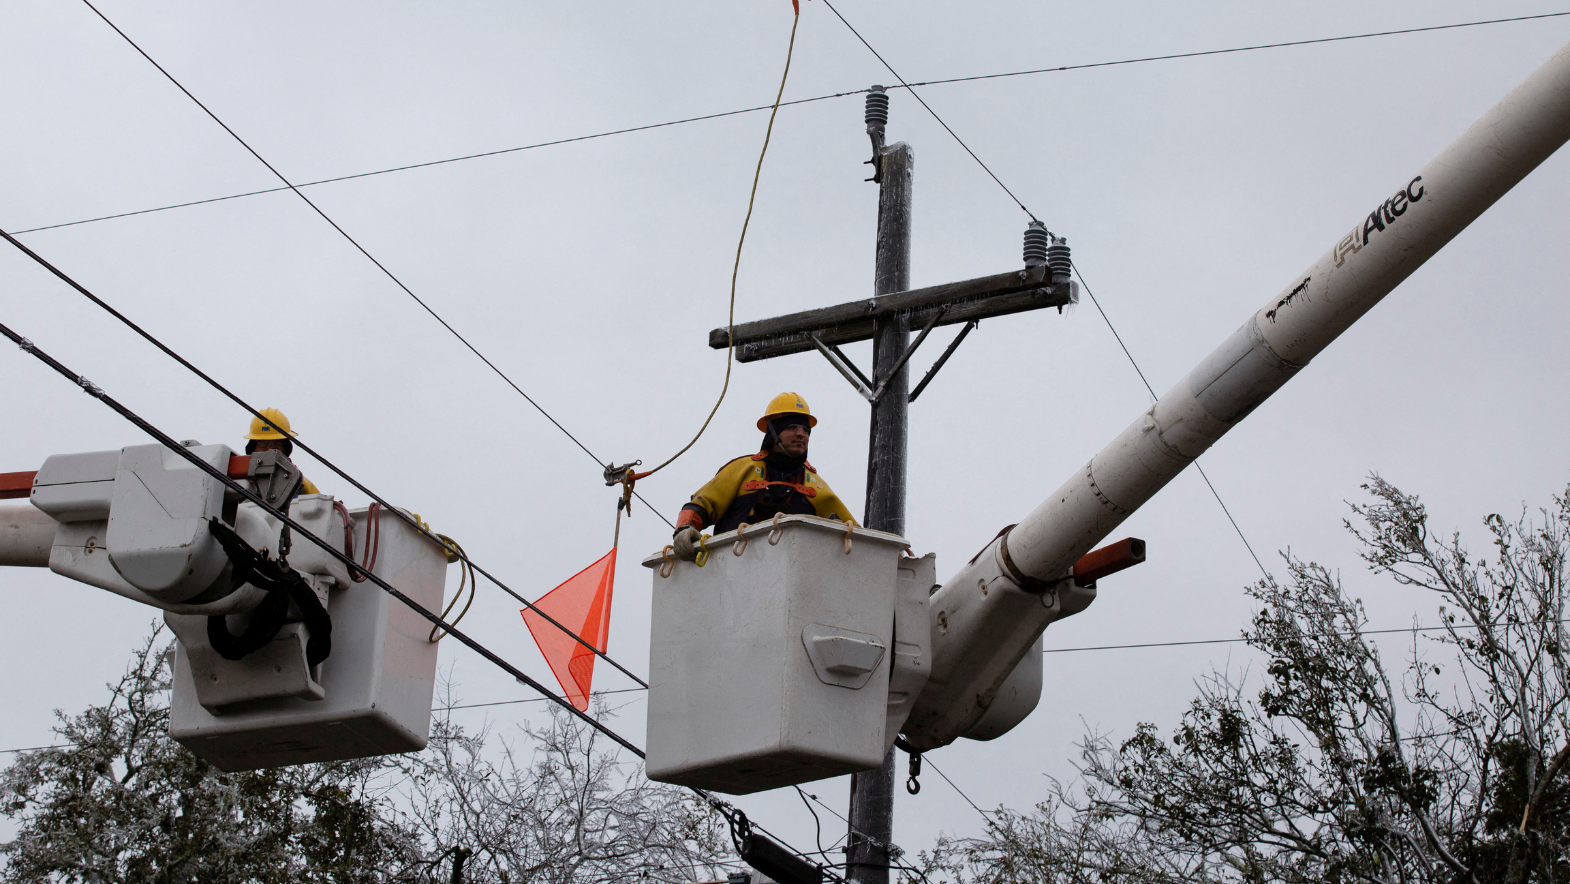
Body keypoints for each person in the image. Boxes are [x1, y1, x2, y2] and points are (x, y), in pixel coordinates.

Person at [671, 392, 856, 561]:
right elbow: (702, 504)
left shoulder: (816, 486)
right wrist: (684, 528)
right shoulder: (743, 469)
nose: (801, 434)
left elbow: (856, 535)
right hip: (730, 568)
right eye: (792, 427)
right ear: (773, 432)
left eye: (805, 430)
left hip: (792, 576)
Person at [243, 407, 320, 496]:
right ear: (252, 448)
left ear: (285, 449)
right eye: (263, 444)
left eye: (276, 445)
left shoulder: (300, 484)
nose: (269, 451)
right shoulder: (236, 480)